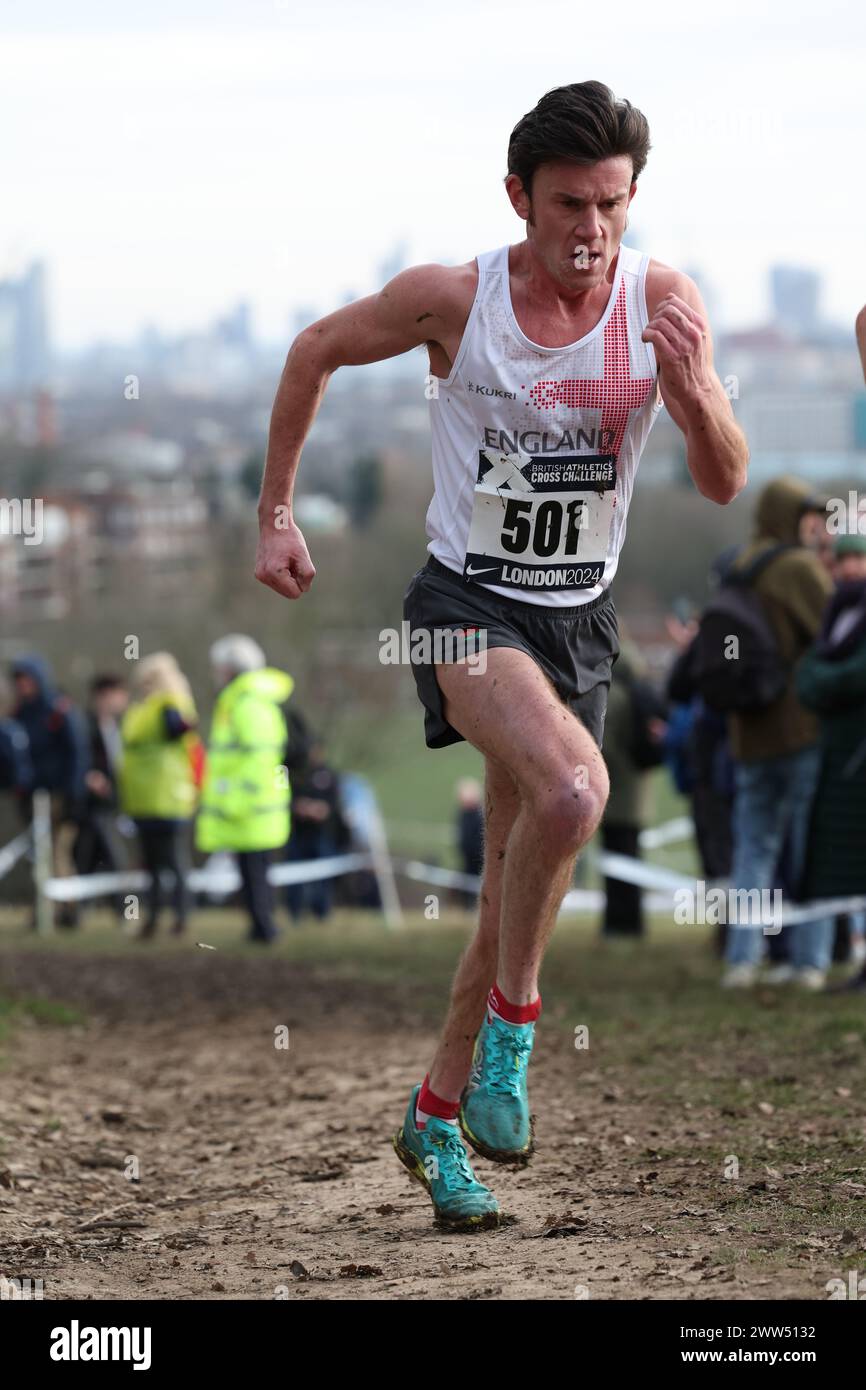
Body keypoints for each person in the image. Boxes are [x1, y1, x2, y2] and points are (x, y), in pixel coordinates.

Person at [255, 82, 748, 1230]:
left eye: (611, 207)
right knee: (575, 789)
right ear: (517, 198)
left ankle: (435, 1114)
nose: (589, 232)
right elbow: (315, 349)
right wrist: (277, 512)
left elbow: (722, 476)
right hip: (460, 605)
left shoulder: (661, 301)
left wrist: (686, 392)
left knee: (506, 885)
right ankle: (513, 1048)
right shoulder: (451, 299)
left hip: (577, 621)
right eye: (568, 204)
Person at [720, 477, 835, 989]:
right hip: (802, 727)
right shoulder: (798, 569)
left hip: (748, 732)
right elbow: (835, 635)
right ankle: (810, 962)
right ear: (788, 516)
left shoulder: (738, 565)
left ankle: (742, 959)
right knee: (813, 847)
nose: (813, 526)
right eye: (806, 515)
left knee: (753, 848)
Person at [796, 533, 866, 991]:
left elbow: (850, 674)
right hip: (839, 756)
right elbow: (809, 676)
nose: (845, 569)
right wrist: (824, 680)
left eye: (856, 559)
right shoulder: (837, 615)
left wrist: (824, 680)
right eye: (840, 560)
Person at [196, 636, 294, 943]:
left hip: (250, 806)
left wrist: (236, 800)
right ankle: (260, 925)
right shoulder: (249, 700)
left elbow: (256, 758)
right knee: (254, 869)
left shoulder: (246, 703)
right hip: (256, 804)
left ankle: (264, 927)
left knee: (254, 870)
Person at [118, 653, 200, 939]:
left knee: (172, 861)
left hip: (167, 797)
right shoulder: (141, 709)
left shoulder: (168, 705)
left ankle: (179, 917)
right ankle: (155, 918)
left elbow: (178, 728)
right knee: (153, 864)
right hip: (144, 799)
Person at [10, 655, 89, 927]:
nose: (22, 687)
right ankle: (46, 908)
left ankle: (66, 908)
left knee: (57, 852)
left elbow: (77, 753)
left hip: (59, 797)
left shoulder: (59, 711)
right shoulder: (20, 714)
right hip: (33, 797)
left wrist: (73, 793)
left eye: (26, 680)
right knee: (39, 854)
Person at [73, 675, 130, 919]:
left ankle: (79, 912)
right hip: (90, 806)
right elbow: (77, 757)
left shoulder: (119, 726)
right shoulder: (84, 725)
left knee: (94, 858)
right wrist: (89, 777)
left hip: (109, 804)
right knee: (103, 857)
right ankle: (118, 911)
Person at [285, 739, 342, 924]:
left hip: (321, 834)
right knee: (295, 875)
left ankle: (322, 912)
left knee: (322, 875)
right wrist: (299, 807)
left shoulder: (330, 775)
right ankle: (295, 913)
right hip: (298, 833)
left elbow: (335, 804)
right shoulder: (294, 774)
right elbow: (286, 799)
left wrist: (322, 810)